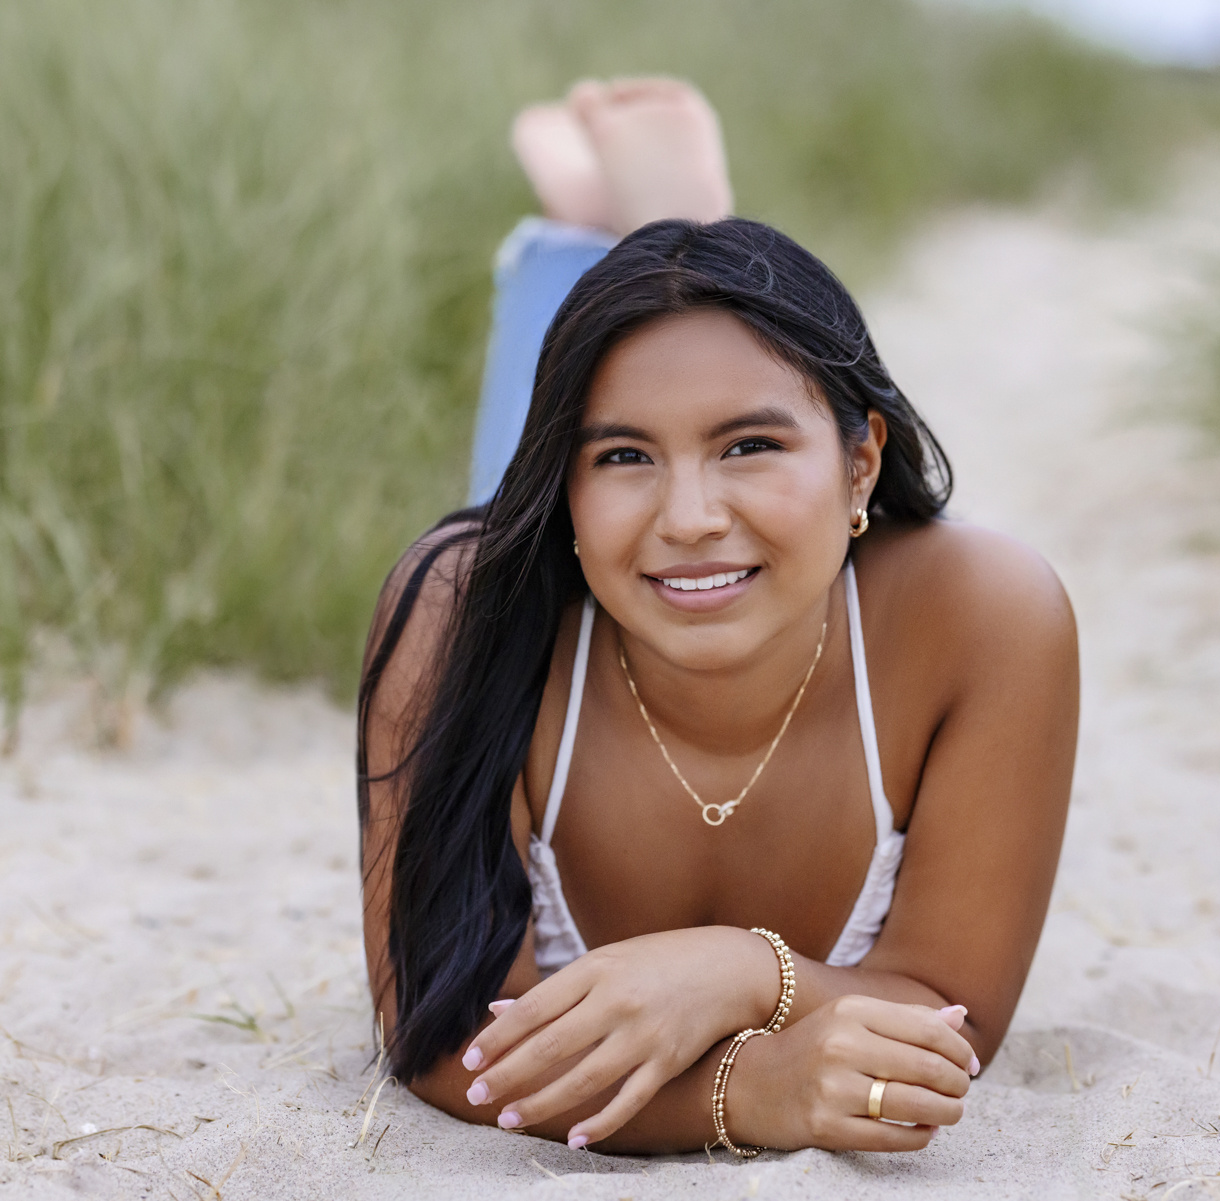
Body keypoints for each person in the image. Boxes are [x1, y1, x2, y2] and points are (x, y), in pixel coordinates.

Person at [357, 78, 1078, 1157]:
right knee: (526, 469)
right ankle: (629, 232)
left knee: (663, 359)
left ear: (861, 463)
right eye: (621, 458)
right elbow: (442, 1033)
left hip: (655, 549)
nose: (692, 517)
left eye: (752, 445)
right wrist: (751, 1090)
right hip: (543, 581)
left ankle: (644, 229)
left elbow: (947, 1021)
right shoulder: (452, 608)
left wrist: (743, 968)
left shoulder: (986, 612)